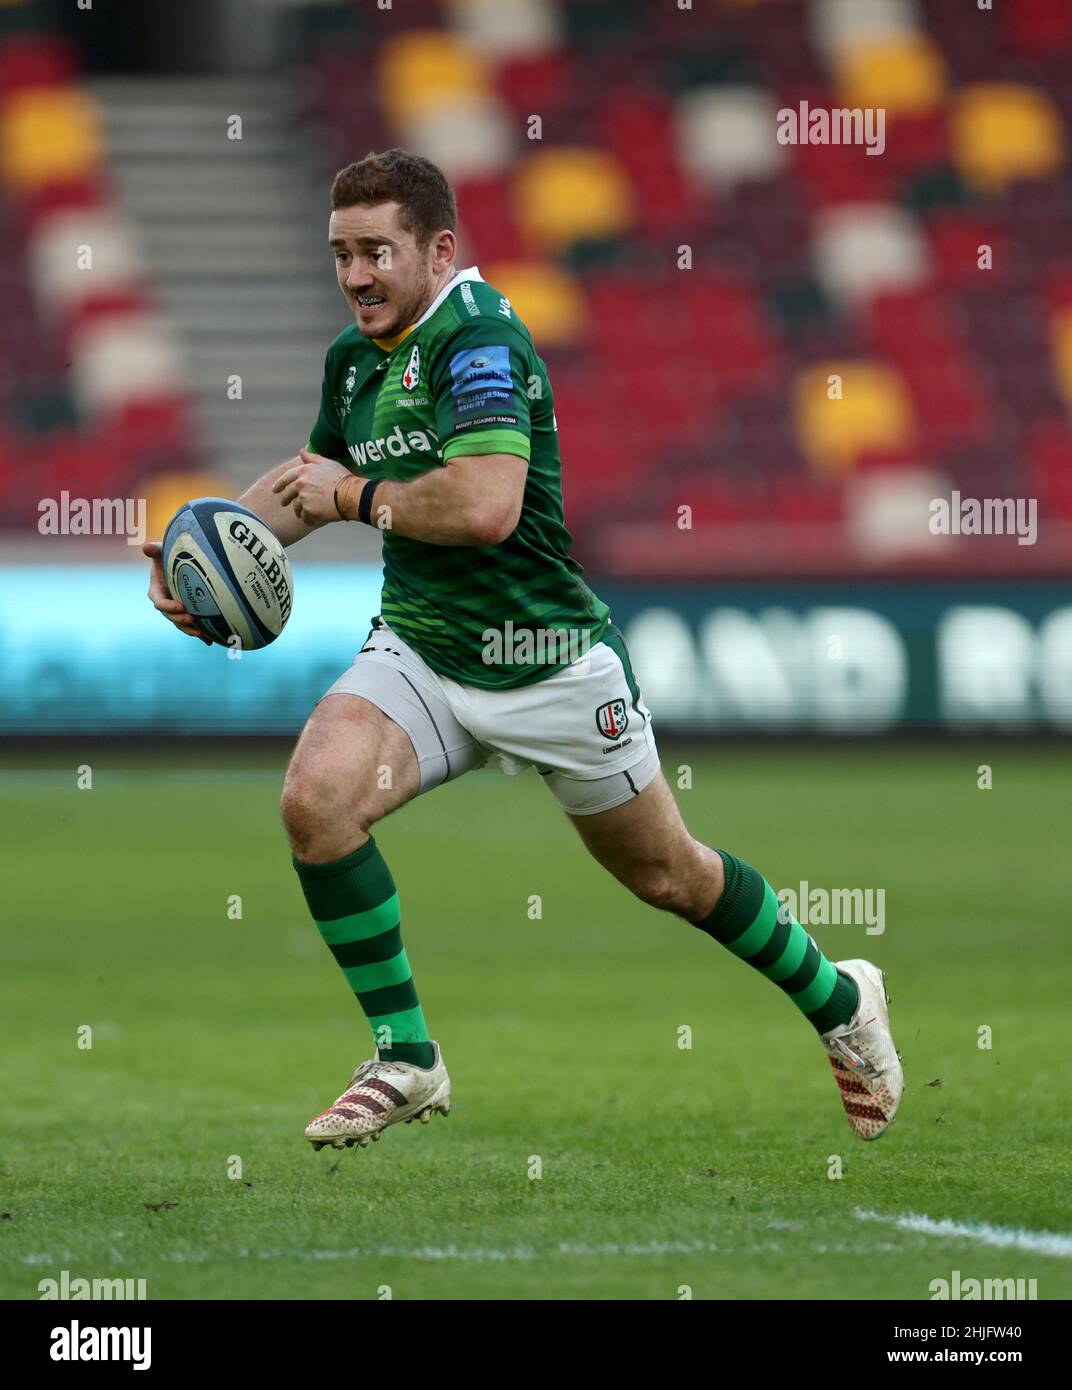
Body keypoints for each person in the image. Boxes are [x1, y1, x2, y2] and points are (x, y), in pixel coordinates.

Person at [145, 149, 903, 1149]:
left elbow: (487, 506)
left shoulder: (481, 342)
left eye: (377, 251)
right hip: (421, 649)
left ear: (438, 248)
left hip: (546, 656)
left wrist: (355, 499)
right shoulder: (353, 359)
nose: (357, 275)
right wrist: (199, 552)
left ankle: (838, 999)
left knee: (669, 876)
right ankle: (406, 1055)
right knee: (315, 801)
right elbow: (307, 484)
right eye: (341, 255)